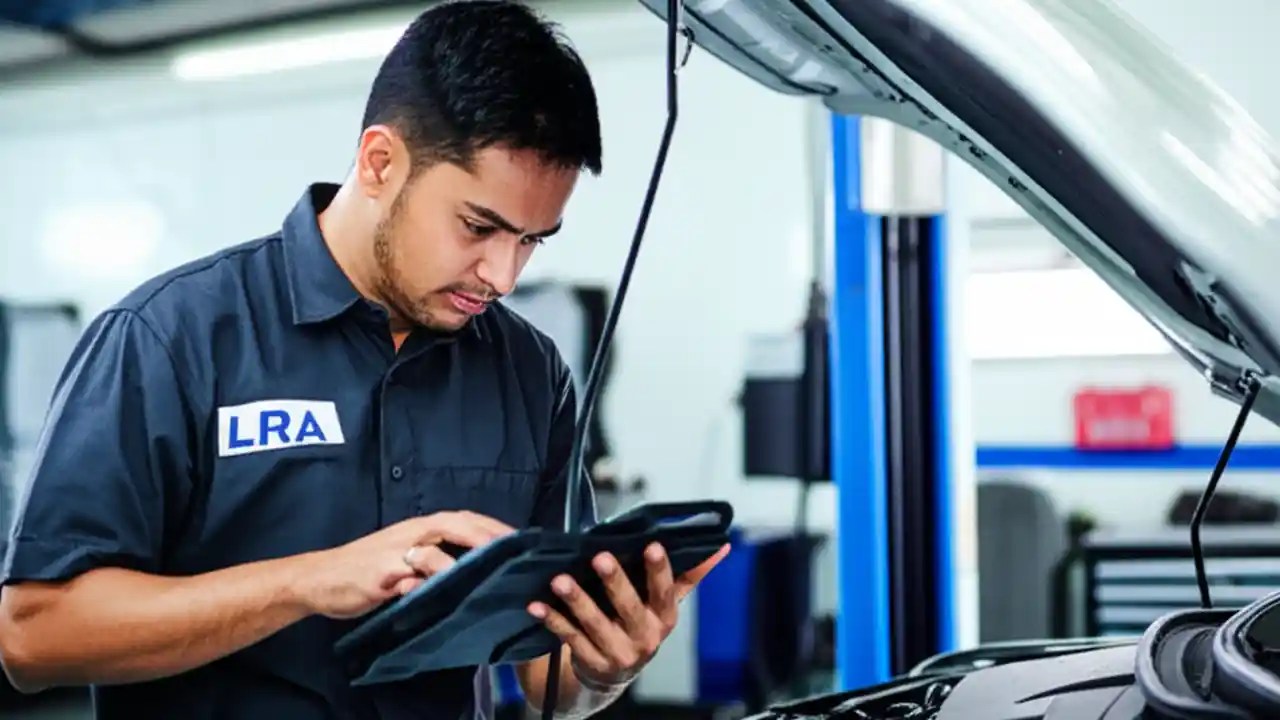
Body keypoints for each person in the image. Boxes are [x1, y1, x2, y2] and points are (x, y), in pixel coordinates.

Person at [0, 2, 729, 718]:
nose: (503, 276)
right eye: (478, 226)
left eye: (534, 240)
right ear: (380, 162)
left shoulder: (531, 373)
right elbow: (33, 637)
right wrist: (309, 581)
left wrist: (604, 667)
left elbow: (546, 682)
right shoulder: (168, 339)